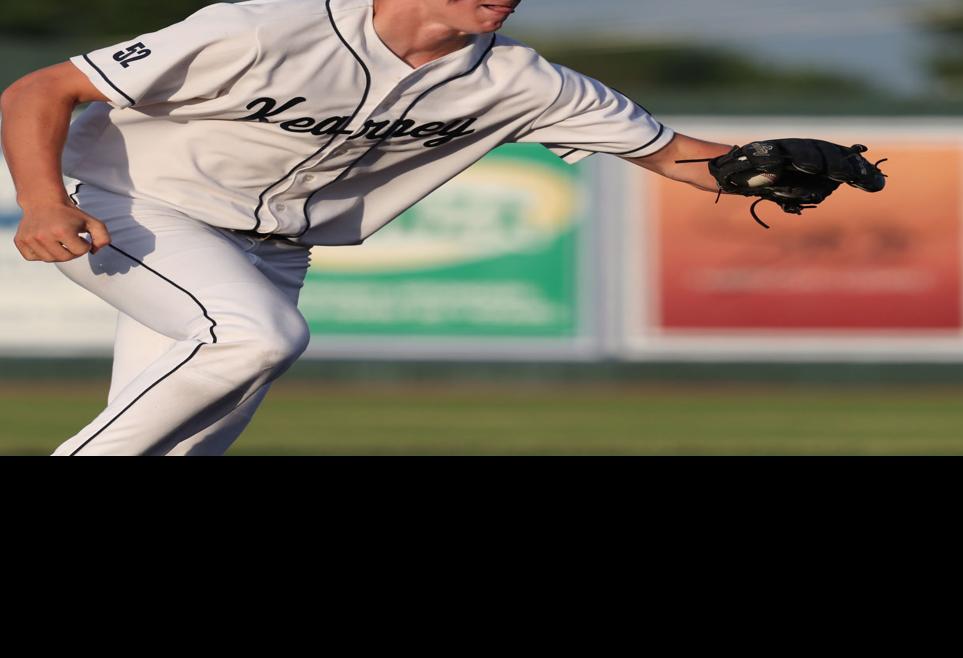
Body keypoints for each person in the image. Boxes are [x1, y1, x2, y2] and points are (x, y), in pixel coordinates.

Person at [1, 0, 881, 455]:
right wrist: (45, 202)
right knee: (253, 339)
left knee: (181, 436)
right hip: (133, 214)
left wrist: (756, 165)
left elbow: (674, 154)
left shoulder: (525, 81)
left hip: (275, 249)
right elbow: (41, 88)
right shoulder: (266, 28)